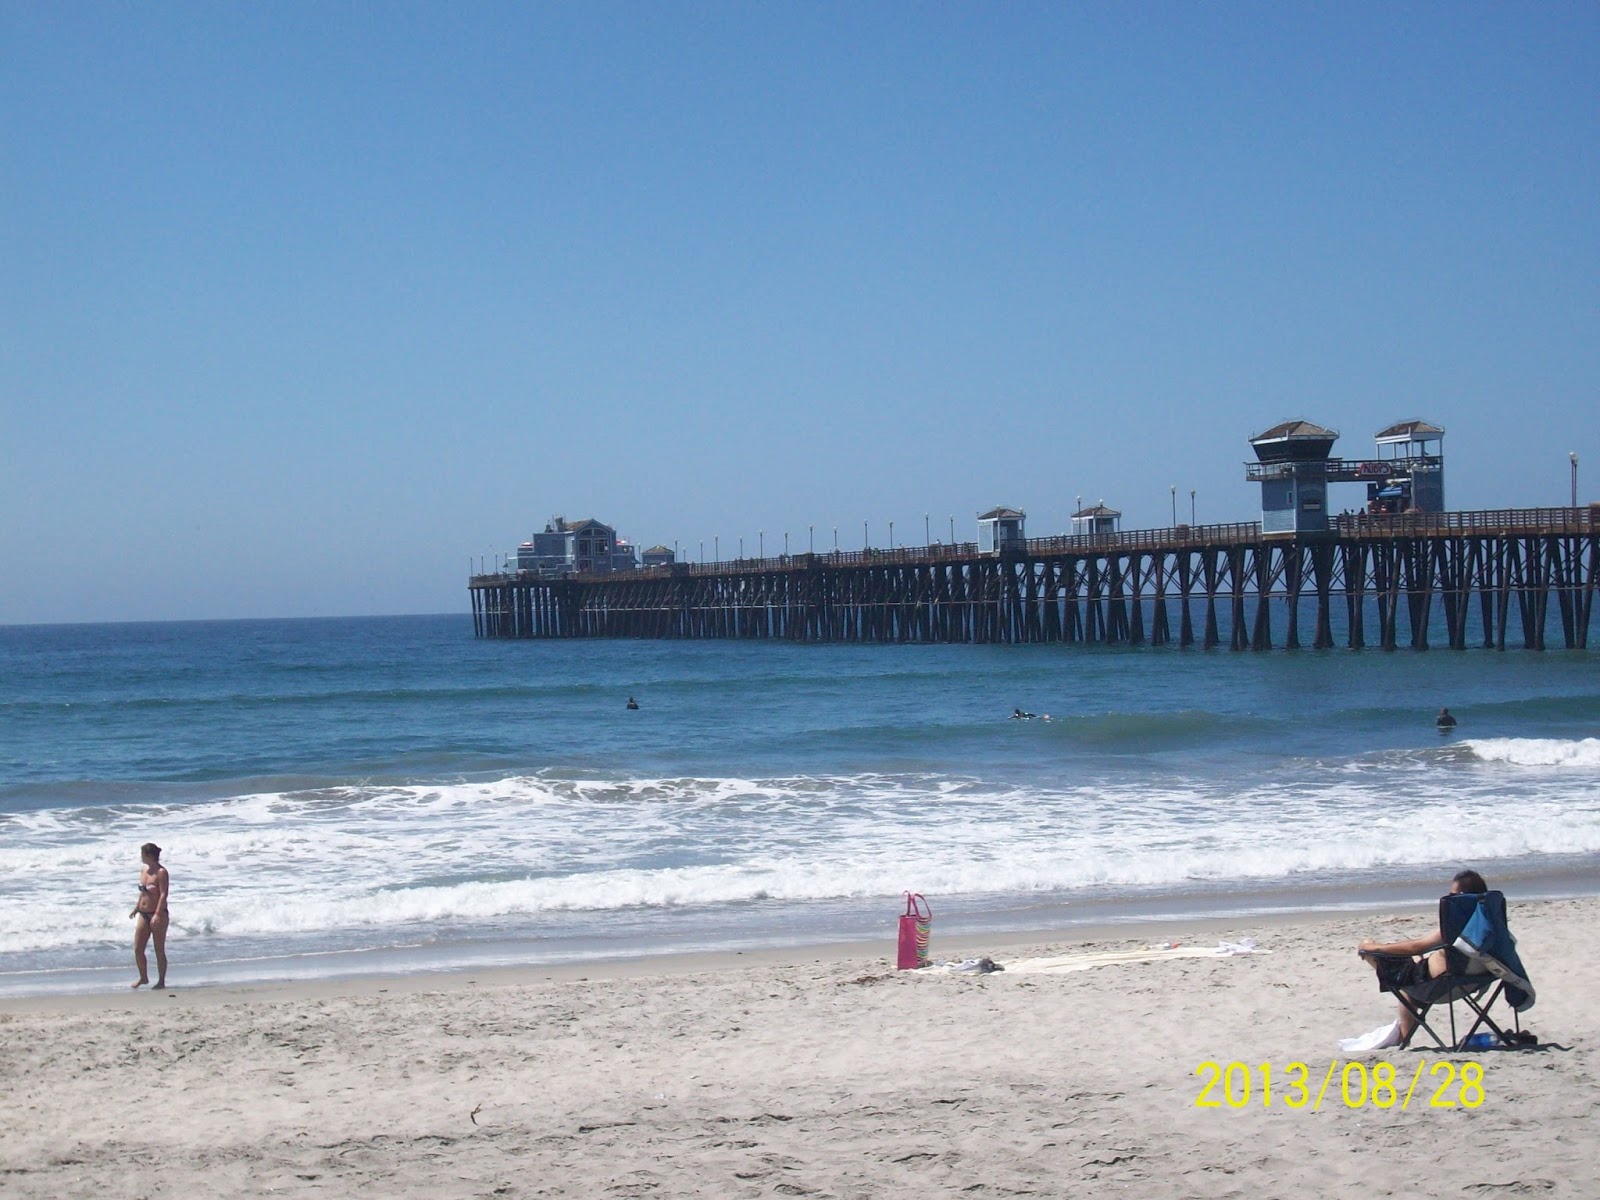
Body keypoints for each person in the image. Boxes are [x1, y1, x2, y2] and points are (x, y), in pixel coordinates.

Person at [1356, 868, 1487, 1044]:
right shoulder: (1488, 926)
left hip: (1438, 986)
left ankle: (1404, 1036)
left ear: (1464, 898)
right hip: (1473, 980)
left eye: (1453, 895)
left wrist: (1376, 947)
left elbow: (1415, 946)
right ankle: (1404, 1034)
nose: (1450, 900)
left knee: (1373, 952)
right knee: (1413, 962)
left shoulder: (1458, 928)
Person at [130, 842, 170, 990]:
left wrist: (157, 914)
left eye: (142, 854)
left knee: (159, 949)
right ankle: (143, 977)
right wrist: (136, 907)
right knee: (138, 948)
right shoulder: (144, 870)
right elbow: (143, 892)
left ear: (149, 855)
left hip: (158, 914)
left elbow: (163, 894)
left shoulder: (161, 872)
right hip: (143, 913)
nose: (141, 857)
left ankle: (161, 981)